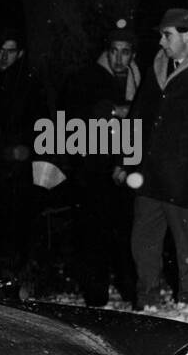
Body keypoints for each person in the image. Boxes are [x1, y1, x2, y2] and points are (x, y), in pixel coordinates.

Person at [125, 8, 188, 309]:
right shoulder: (157, 67)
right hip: (149, 174)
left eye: (167, 35)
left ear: (187, 36)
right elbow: (138, 118)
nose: (161, 42)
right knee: (143, 242)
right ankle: (147, 299)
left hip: (184, 178)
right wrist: (126, 161)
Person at [59, 27, 140, 306]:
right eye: (114, 51)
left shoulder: (138, 80)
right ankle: (96, 297)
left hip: (125, 169)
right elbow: (75, 120)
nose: (119, 59)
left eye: (126, 52)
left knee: (125, 234)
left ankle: (130, 289)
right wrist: (113, 111)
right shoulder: (86, 79)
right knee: (93, 237)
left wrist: (126, 162)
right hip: (93, 170)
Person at [0, 27, 48, 274]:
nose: (4, 57)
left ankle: (15, 271)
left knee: (16, 223)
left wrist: (24, 149)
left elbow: (41, 124)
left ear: (20, 53)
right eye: (0, 51)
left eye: (11, 51)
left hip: (19, 168)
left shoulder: (28, 84)